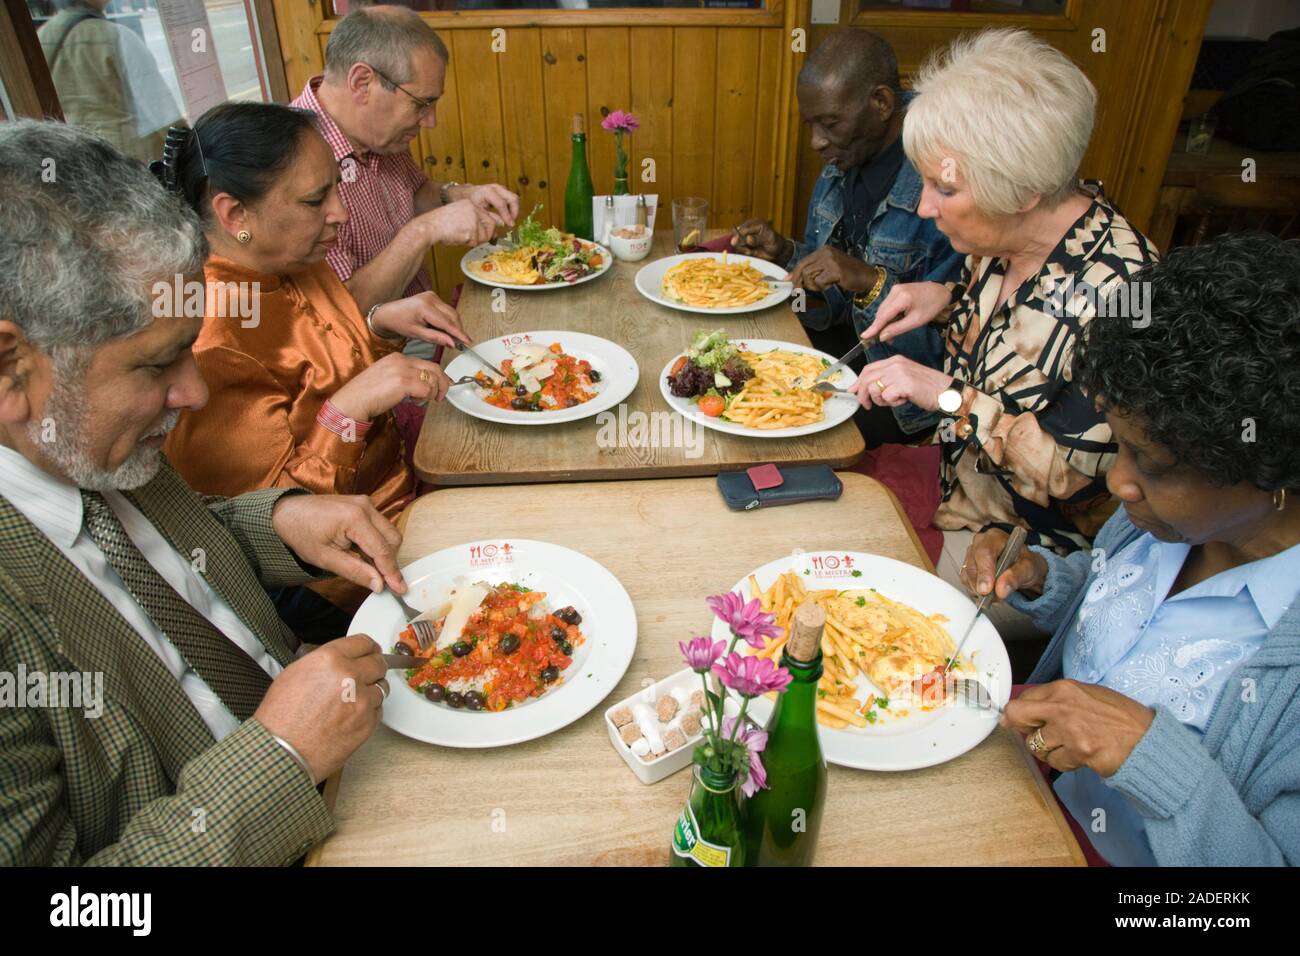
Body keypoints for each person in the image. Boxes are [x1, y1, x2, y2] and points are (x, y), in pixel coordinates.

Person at [0, 119, 403, 865]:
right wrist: (278, 758)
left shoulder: (88, 445)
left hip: (347, 746)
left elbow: (154, 553)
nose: (192, 390)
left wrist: (279, 518)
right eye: (157, 366)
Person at [960, 232, 1300, 866]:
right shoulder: (1159, 526)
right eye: (1119, 444)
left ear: (1272, 467)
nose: (1118, 482)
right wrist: (1042, 578)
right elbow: (1115, 601)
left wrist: (1150, 756)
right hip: (1024, 800)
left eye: (1153, 463)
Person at [850, 28, 1159, 598]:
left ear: (1024, 192)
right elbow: (1008, 340)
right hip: (957, 496)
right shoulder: (1004, 240)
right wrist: (943, 302)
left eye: (944, 188)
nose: (923, 206)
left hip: (1023, 558)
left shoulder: (1125, 297)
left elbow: (1070, 478)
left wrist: (945, 395)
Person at [160, 102, 468, 616]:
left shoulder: (291, 256)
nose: (339, 214)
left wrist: (377, 324)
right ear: (234, 214)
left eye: (335, 189)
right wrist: (347, 412)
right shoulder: (210, 338)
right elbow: (284, 527)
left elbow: (322, 361)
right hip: (348, 574)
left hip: (401, 487)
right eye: (314, 199)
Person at [730, 29, 962, 447]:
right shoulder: (845, 159)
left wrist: (870, 282)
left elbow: (946, 351)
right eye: (812, 125)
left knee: (770, 436)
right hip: (838, 356)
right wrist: (787, 254)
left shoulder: (943, 183)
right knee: (732, 370)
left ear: (881, 103)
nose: (817, 141)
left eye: (830, 123)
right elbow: (833, 297)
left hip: (902, 399)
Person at [291, 4, 520, 318]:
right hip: (371, 358)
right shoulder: (291, 161)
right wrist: (423, 230)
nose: (430, 121)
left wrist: (457, 194)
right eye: (421, 104)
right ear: (362, 83)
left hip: (423, 322)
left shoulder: (380, 133)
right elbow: (342, 315)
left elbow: (413, 193)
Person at [38, 0, 181, 164]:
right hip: (126, 159)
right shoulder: (117, 36)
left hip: (77, 159)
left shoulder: (40, 37)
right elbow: (163, 114)